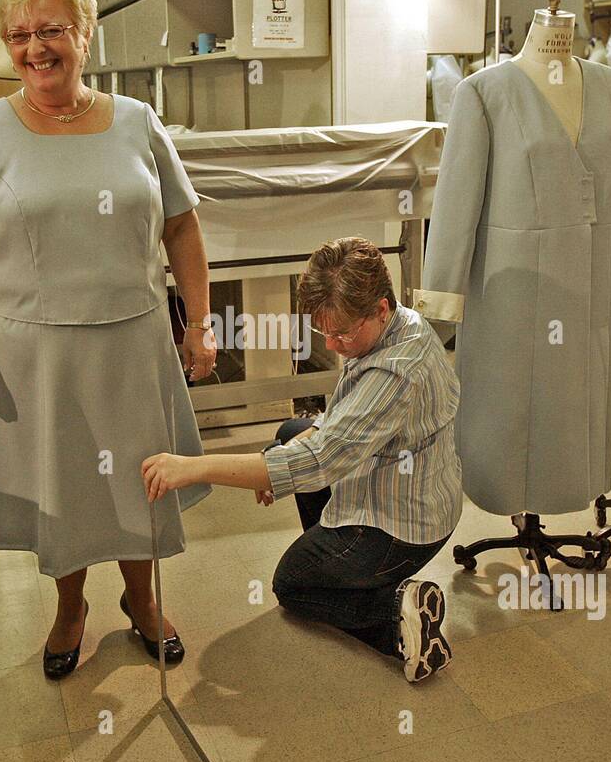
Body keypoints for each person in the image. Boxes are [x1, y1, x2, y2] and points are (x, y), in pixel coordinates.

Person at [0, 0, 216, 679]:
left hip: (134, 339)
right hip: (35, 350)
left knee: (138, 480)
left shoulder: (138, 121)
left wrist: (200, 323)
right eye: (19, 34)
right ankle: (70, 608)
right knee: (64, 489)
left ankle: (142, 600)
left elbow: (182, 228)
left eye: (50, 30)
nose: (34, 48)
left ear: (85, 33)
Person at [143, 238, 462, 682]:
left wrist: (193, 466)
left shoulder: (397, 373)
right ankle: (343, 562)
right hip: (409, 489)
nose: (333, 344)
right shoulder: (398, 326)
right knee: (288, 435)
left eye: (342, 333)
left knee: (293, 586)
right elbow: (330, 427)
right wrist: (277, 463)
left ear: (381, 309)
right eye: (323, 332)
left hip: (403, 528)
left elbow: (317, 461)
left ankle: (394, 615)